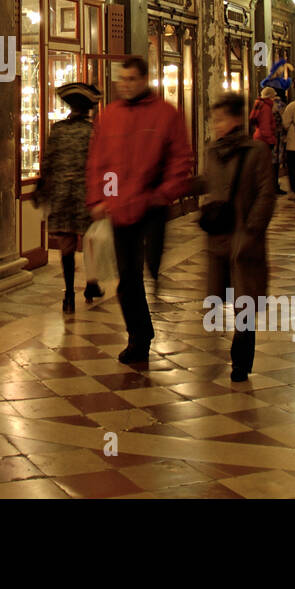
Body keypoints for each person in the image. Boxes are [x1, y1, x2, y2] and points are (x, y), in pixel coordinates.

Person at [86, 55, 193, 364]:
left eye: (132, 79)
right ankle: (139, 335)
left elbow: (180, 158)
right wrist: (102, 199)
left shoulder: (166, 114)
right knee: (128, 277)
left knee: (149, 264)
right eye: (122, 79)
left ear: (144, 80)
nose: (126, 84)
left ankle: (154, 282)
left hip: (152, 206)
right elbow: (101, 162)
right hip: (121, 208)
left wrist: (164, 194)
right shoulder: (110, 115)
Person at [194, 92, 276, 382]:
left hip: (244, 237)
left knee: (246, 300)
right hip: (218, 237)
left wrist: (253, 228)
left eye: (220, 119)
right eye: (213, 119)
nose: (215, 125)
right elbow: (209, 182)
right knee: (220, 297)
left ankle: (241, 360)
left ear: (234, 119)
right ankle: (233, 345)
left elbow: (266, 195)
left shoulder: (257, 152)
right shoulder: (212, 151)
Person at [34, 82, 102, 313]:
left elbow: (48, 162)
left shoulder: (58, 129)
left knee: (66, 245)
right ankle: (92, 284)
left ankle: (69, 295)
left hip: (62, 195)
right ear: (88, 108)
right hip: (86, 194)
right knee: (91, 240)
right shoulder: (94, 132)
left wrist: (41, 190)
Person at [249, 87, 285, 194]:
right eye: (273, 96)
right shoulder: (266, 107)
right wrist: (271, 140)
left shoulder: (260, 104)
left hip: (258, 136)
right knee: (267, 165)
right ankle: (266, 187)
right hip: (264, 139)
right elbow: (265, 126)